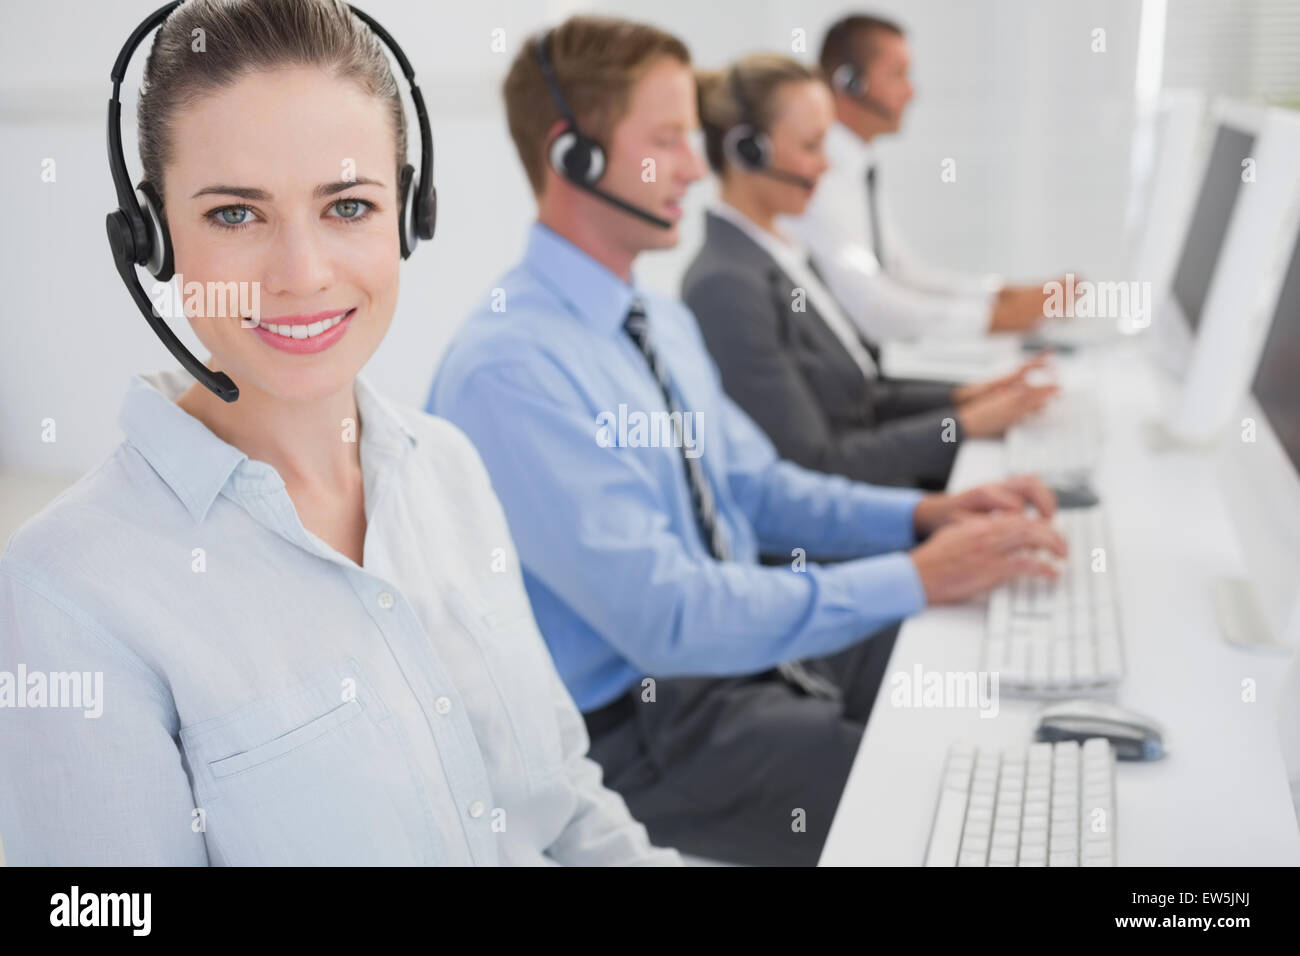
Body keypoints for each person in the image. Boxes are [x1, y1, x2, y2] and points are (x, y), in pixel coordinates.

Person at [0, 0, 677, 867]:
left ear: (408, 213)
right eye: (235, 215)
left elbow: (567, 811)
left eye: (348, 206)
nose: (303, 274)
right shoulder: (71, 588)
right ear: (152, 239)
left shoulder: (450, 468)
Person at [428, 15, 1066, 866]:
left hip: (736, 663)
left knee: (992, 682)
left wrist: (927, 515)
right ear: (571, 155)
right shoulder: (510, 373)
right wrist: (914, 576)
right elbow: (671, 617)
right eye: (667, 141)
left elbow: (761, 491)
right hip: (652, 732)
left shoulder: (656, 318)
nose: (697, 167)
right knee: (945, 805)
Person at [684, 54, 1057, 489]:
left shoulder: (785, 252)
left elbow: (861, 395)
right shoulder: (727, 286)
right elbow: (815, 462)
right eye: (810, 146)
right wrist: (962, 425)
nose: (826, 165)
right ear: (747, 152)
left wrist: (968, 396)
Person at [785, 13, 1061, 342]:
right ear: (850, 84)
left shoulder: (858, 168)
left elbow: (900, 271)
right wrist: (995, 318)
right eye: (898, 75)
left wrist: (1000, 294)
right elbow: (874, 307)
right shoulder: (821, 178)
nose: (911, 92)